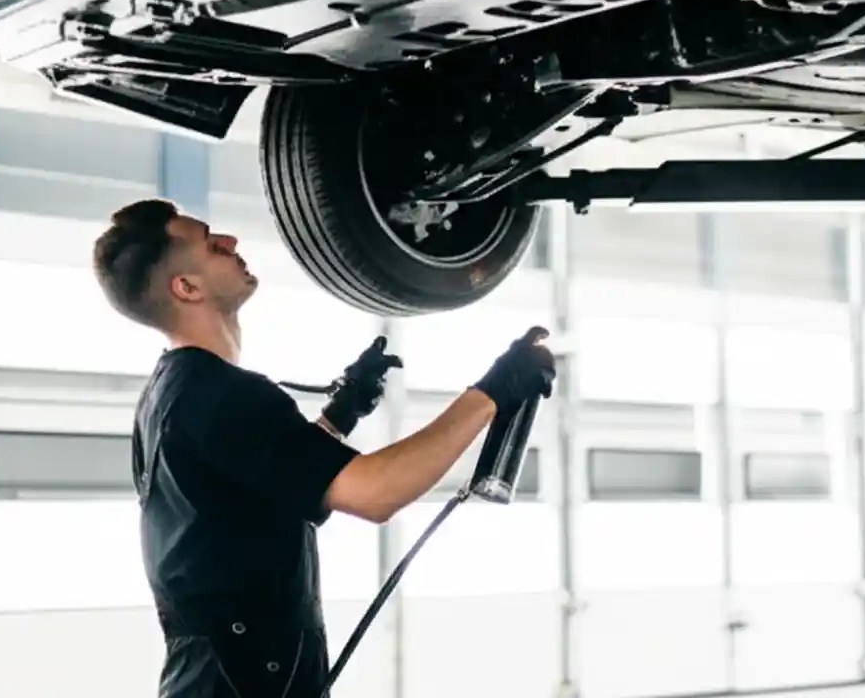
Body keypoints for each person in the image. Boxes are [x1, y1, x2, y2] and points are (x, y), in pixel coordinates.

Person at [90, 198, 555, 698]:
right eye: (210, 243)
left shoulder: (172, 391)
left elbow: (261, 483)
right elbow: (375, 493)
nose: (231, 242)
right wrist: (493, 391)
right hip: (239, 679)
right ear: (187, 288)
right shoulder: (220, 393)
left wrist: (342, 413)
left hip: (220, 674)